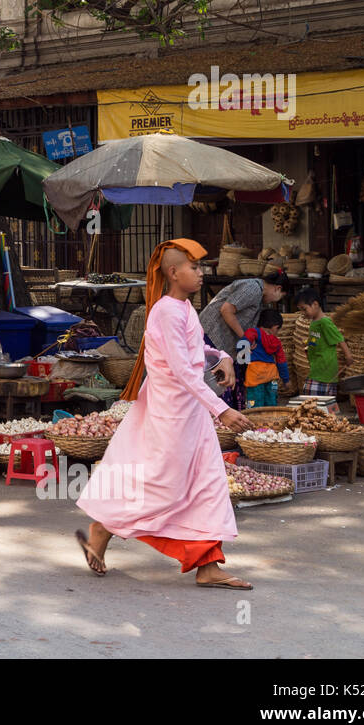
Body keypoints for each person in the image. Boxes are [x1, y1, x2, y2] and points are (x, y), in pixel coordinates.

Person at [75, 238, 256, 589]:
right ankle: (103, 527)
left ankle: (207, 565)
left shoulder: (184, 308)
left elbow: (194, 348)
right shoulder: (164, 311)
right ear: (174, 273)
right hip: (170, 414)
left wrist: (221, 356)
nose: (202, 274)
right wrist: (222, 410)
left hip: (192, 414)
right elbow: (182, 370)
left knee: (206, 485)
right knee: (163, 488)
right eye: (195, 268)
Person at [198, 268, 287, 409]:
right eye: (280, 297)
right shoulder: (253, 288)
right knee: (217, 384)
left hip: (226, 345)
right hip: (212, 336)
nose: (274, 301)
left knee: (233, 382)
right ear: (278, 289)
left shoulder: (259, 298)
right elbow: (226, 310)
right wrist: (245, 338)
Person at [295, 287, 351, 396]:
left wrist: (348, 356)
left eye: (304, 309)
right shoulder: (314, 322)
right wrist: (309, 343)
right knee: (320, 405)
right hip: (317, 369)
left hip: (324, 370)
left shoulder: (325, 322)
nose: (302, 313)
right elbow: (318, 339)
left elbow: (339, 338)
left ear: (315, 304)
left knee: (313, 402)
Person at [243, 308, 289, 408]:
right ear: (275, 327)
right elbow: (281, 362)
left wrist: (245, 353)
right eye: (278, 330)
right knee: (272, 402)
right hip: (272, 377)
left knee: (254, 404)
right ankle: (271, 421)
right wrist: (286, 380)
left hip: (255, 375)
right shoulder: (276, 342)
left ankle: (255, 422)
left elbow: (242, 344)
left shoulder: (253, 333)